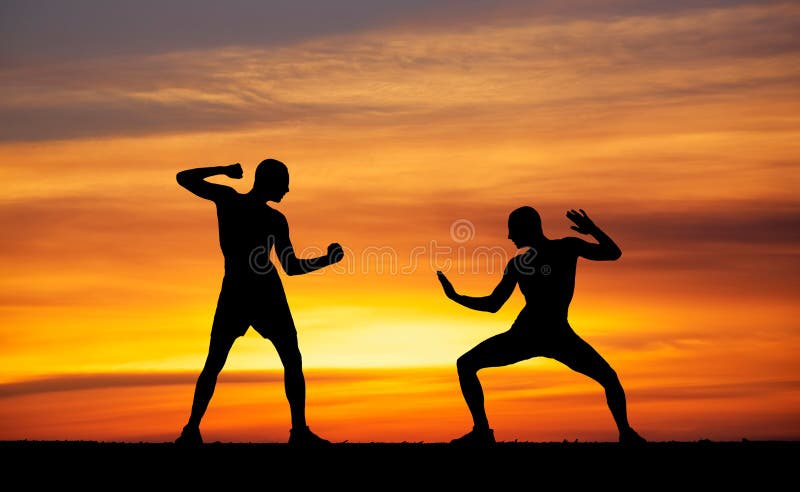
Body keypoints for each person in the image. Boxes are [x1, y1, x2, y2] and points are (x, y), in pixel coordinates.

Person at [436, 206, 646, 446]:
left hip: (548, 335)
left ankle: (626, 434)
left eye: (512, 230)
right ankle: (482, 432)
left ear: (528, 229)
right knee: (466, 364)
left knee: (609, 378)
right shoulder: (522, 263)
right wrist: (456, 297)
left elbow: (613, 253)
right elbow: (494, 304)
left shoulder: (565, 248)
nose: (509, 236)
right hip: (534, 335)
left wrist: (592, 229)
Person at [174, 158, 344, 447]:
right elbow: (183, 177)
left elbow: (290, 266)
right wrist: (223, 170)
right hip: (252, 292)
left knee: (278, 358)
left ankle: (297, 431)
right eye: (284, 183)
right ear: (270, 182)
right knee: (223, 360)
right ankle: (193, 430)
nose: (287, 190)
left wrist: (326, 260)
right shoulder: (240, 204)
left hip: (249, 290)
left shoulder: (247, 208)